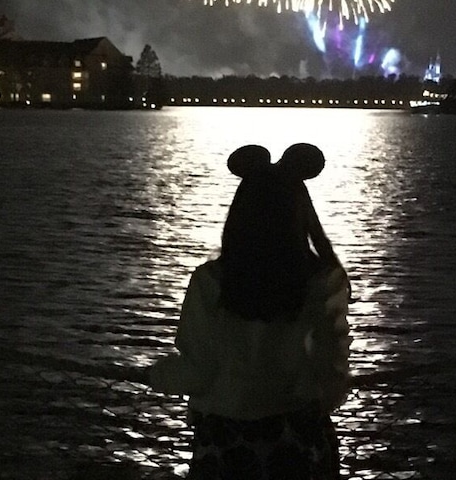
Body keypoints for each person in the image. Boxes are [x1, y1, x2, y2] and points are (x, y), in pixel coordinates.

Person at [149, 143, 352, 480]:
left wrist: (157, 376)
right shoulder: (324, 281)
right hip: (300, 438)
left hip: (227, 442)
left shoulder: (211, 282)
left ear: (239, 214)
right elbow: (331, 371)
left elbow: (197, 371)